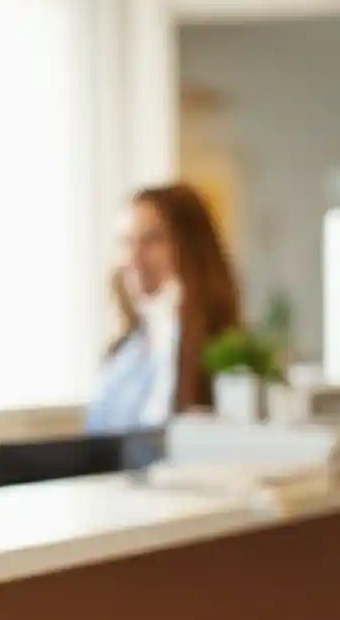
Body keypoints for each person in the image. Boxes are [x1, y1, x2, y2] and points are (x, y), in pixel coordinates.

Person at [85, 184, 242, 435]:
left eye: (152, 240)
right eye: (125, 242)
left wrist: (173, 318)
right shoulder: (123, 355)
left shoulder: (225, 354)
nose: (134, 257)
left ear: (191, 250)